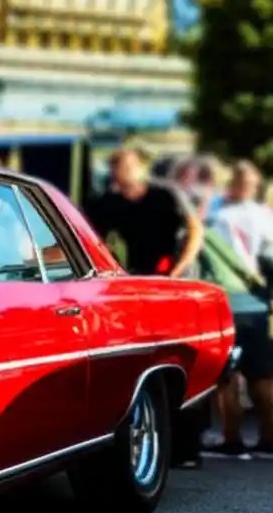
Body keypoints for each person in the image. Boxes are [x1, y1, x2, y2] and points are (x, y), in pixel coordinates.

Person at [204, 160, 273, 457]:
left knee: (227, 375)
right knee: (262, 376)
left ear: (231, 184)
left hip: (224, 304)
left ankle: (231, 439)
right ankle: (269, 439)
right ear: (255, 186)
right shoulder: (266, 217)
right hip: (256, 305)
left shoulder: (215, 217)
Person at [84, 146, 204, 277]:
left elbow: (195, 229)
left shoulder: (166, 194)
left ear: (140, 168)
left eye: (130, 167)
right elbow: (93, 239)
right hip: (144, 274)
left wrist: (183, 264)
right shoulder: (110, 204)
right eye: (119, 167)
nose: (126, 172)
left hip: (178, 271)